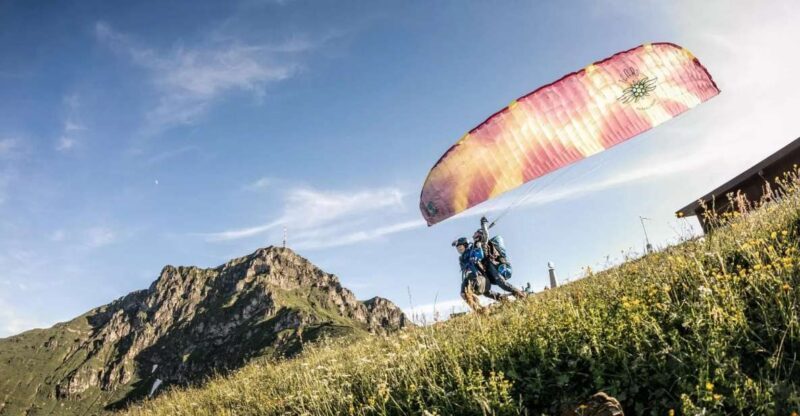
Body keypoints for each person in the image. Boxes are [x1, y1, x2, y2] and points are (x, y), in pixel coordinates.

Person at [473, 216, 527, 299]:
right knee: (484, 289)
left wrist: (483, 223)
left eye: (476, 235)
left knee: (501, 283)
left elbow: (486, 233)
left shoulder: (483, 241)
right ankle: (502, 299)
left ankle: (520, 295)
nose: (474, 236)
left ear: (480, 235)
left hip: (491, 264)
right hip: (485, 268)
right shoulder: (475, 247)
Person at [453, 237, 504, 313]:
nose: (459, 249)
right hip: (467, 277)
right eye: (457, 248)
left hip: (478, 275)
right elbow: (463, 268)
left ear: (465, 245)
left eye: (460, 247)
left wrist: (478, 248)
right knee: (463, 293)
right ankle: (478, 310)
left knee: (481, 290)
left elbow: (480, 255)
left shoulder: (472, 250)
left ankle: (503, 299)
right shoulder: (461, 258)